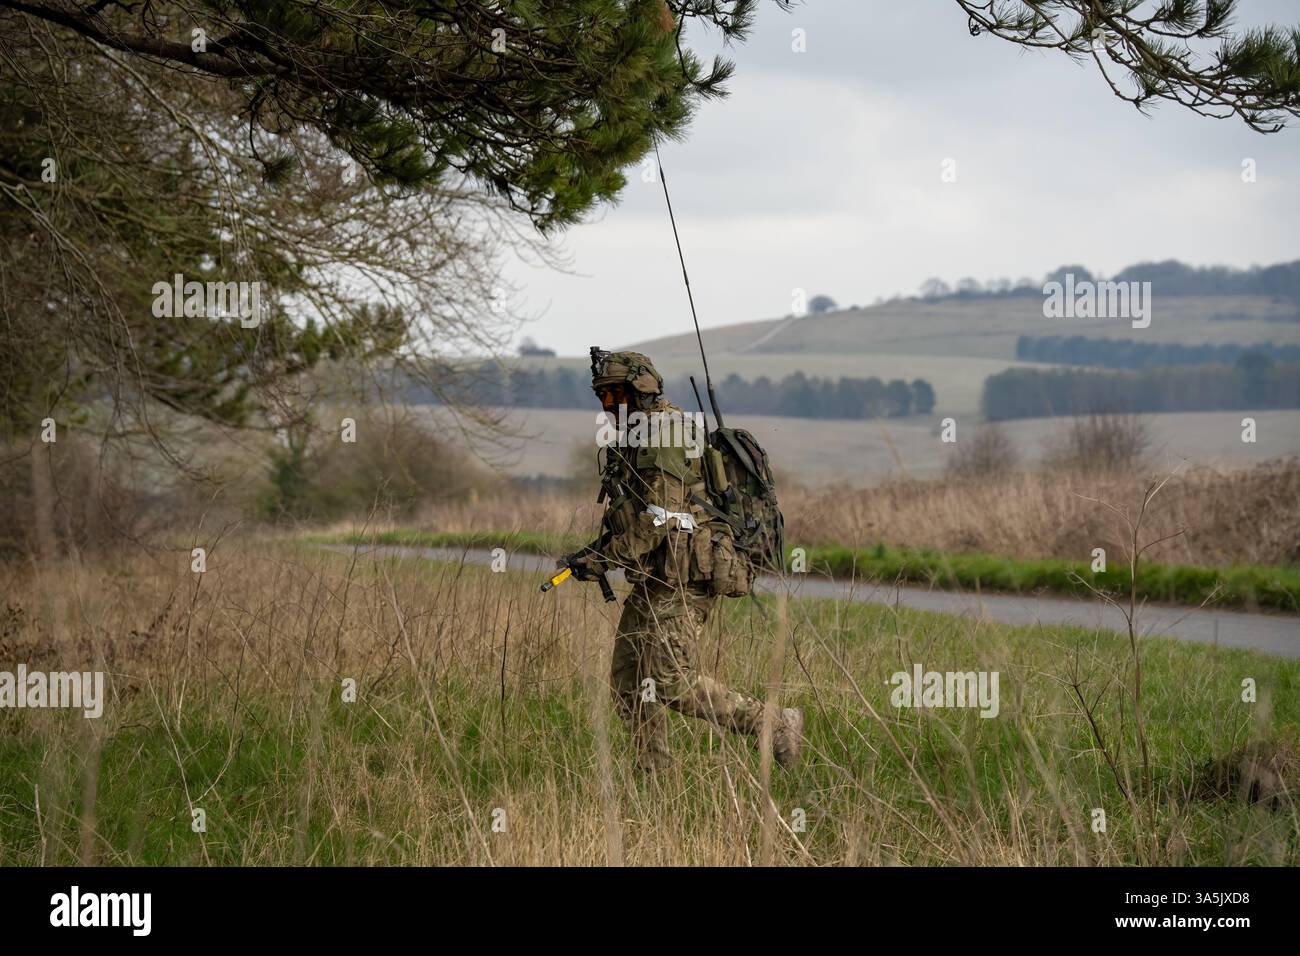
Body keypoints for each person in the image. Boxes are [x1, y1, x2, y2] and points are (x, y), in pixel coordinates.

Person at [560, 349, 803, 772]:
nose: (609, 406)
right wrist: (599, 552)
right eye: (602, 398)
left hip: (686, 575)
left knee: (671, 681)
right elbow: (640, 513)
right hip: (658, 572)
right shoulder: (642, 433)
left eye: (615, 395)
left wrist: (606, 558)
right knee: (629, 680)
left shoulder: (666, 432)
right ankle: (654, 773)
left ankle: (776, 723)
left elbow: (660, 516)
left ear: (641, 390)